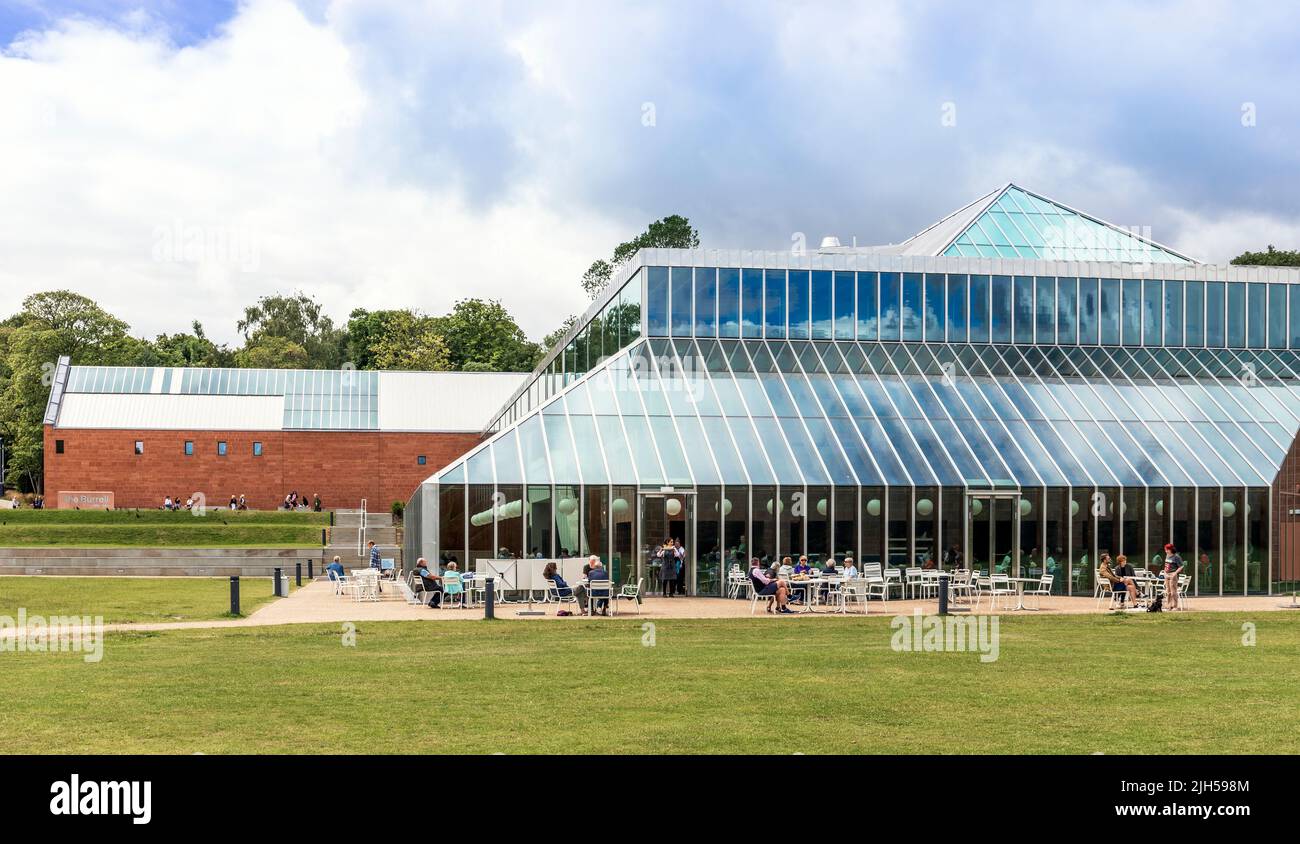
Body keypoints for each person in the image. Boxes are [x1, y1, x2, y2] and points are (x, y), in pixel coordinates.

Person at [1163, 543, 1185, 610]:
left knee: (1173, 592)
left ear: (1171, 549)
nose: (1166, 551)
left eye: (1167, 550)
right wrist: (1164, 572)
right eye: (1165, 550)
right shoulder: (1167, 555)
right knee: (1168, 592)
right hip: (1167, 574)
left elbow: (1181, 566)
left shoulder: (1176, 557)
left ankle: (1175, 606)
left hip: (1173, 574)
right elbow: (1166, 565)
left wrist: (1175, 573)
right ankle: (1169, 605)